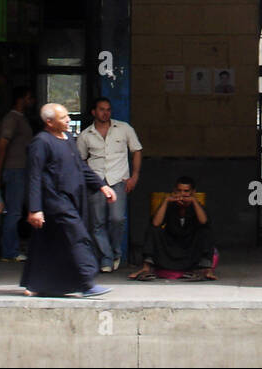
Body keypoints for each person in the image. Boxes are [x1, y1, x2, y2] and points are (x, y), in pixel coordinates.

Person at [22, 103, 117, 298]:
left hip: (74, 198)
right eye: (63, 117)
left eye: (67, 116)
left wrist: (101, 185)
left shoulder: (68, 139)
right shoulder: (41, 142)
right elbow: (34, 176)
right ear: (49, 122)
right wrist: (34, 209)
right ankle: (86, 282)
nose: (68, 120)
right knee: (78, 237)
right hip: (54, 201)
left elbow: (80, 167)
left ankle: (38, 284)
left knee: (49, 243)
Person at [76, 96, 143, 273]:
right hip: (96, 182)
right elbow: (80, 161)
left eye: (108, 109)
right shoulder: (85, 135)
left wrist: (134, 176)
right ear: (93, 112)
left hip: (118, 180)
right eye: (101, 109)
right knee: (97, 223)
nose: (105, 113)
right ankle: (106, 258)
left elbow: (136, 150)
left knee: (117, 219)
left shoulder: (123, 128)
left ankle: (114, 252)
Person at [127, 177, 217, 281]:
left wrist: (194, 201)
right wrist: (165, 201)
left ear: (193, 192)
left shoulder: (197, 207)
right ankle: (146, 268)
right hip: (170, 248)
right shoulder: (170, 205)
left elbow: (204, 222)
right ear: (174, 191)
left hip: (190, 250)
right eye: (179, 191)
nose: (182, 194)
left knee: (205, 230)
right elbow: (156, 223)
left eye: (186, 191)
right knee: (153, 229)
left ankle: (205, 270)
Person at [0, 86, 36, 262]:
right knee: (14, 212)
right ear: (22, 99)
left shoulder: (21, 119)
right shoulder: (11, 119)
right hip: (15, 170)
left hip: (24, 170)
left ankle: (17, 247)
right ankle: (9, 251)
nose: (32, 101)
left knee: (29, 209)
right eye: (29, 97)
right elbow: (1, 147)